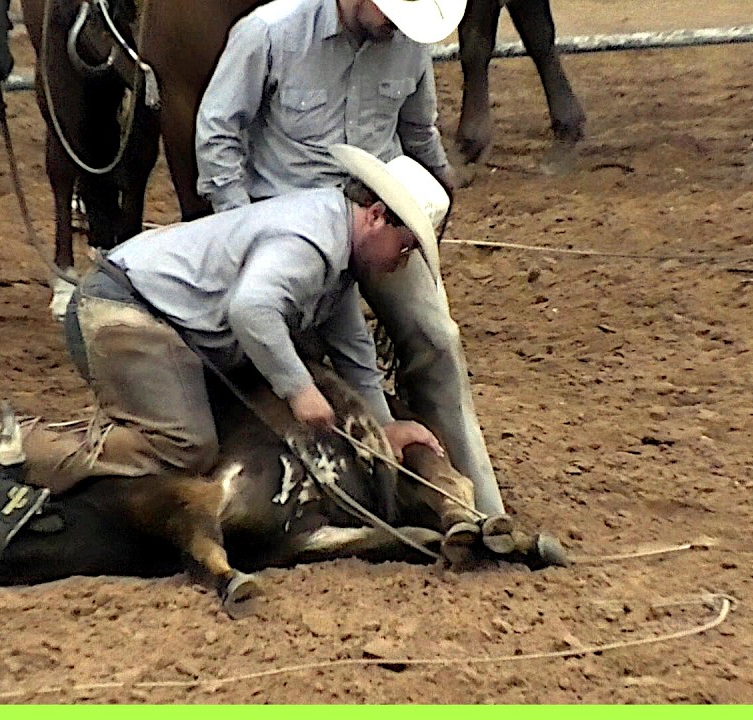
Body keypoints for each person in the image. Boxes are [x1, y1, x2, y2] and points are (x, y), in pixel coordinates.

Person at [194, 0, 507, 514]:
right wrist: (243, 227)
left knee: (436, 339)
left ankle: (483, 507)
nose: (396, 29)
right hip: (292, 232)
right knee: (288, 342)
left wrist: (436, 200)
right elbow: (219, 132)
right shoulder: (270, 32)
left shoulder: (407, 41)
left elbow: (418, 131)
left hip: (381, 221)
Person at [58, 144, 449, 487]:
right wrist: (300, 390)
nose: (402, 261)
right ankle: (38, 450)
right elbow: (251, 310)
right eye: (405, 245)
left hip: (152, 313)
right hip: (123, 308)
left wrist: (383, 428)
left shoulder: (336, 253)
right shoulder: (310, 243)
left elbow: (353, 347)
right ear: (377, 216)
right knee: (186, 447)